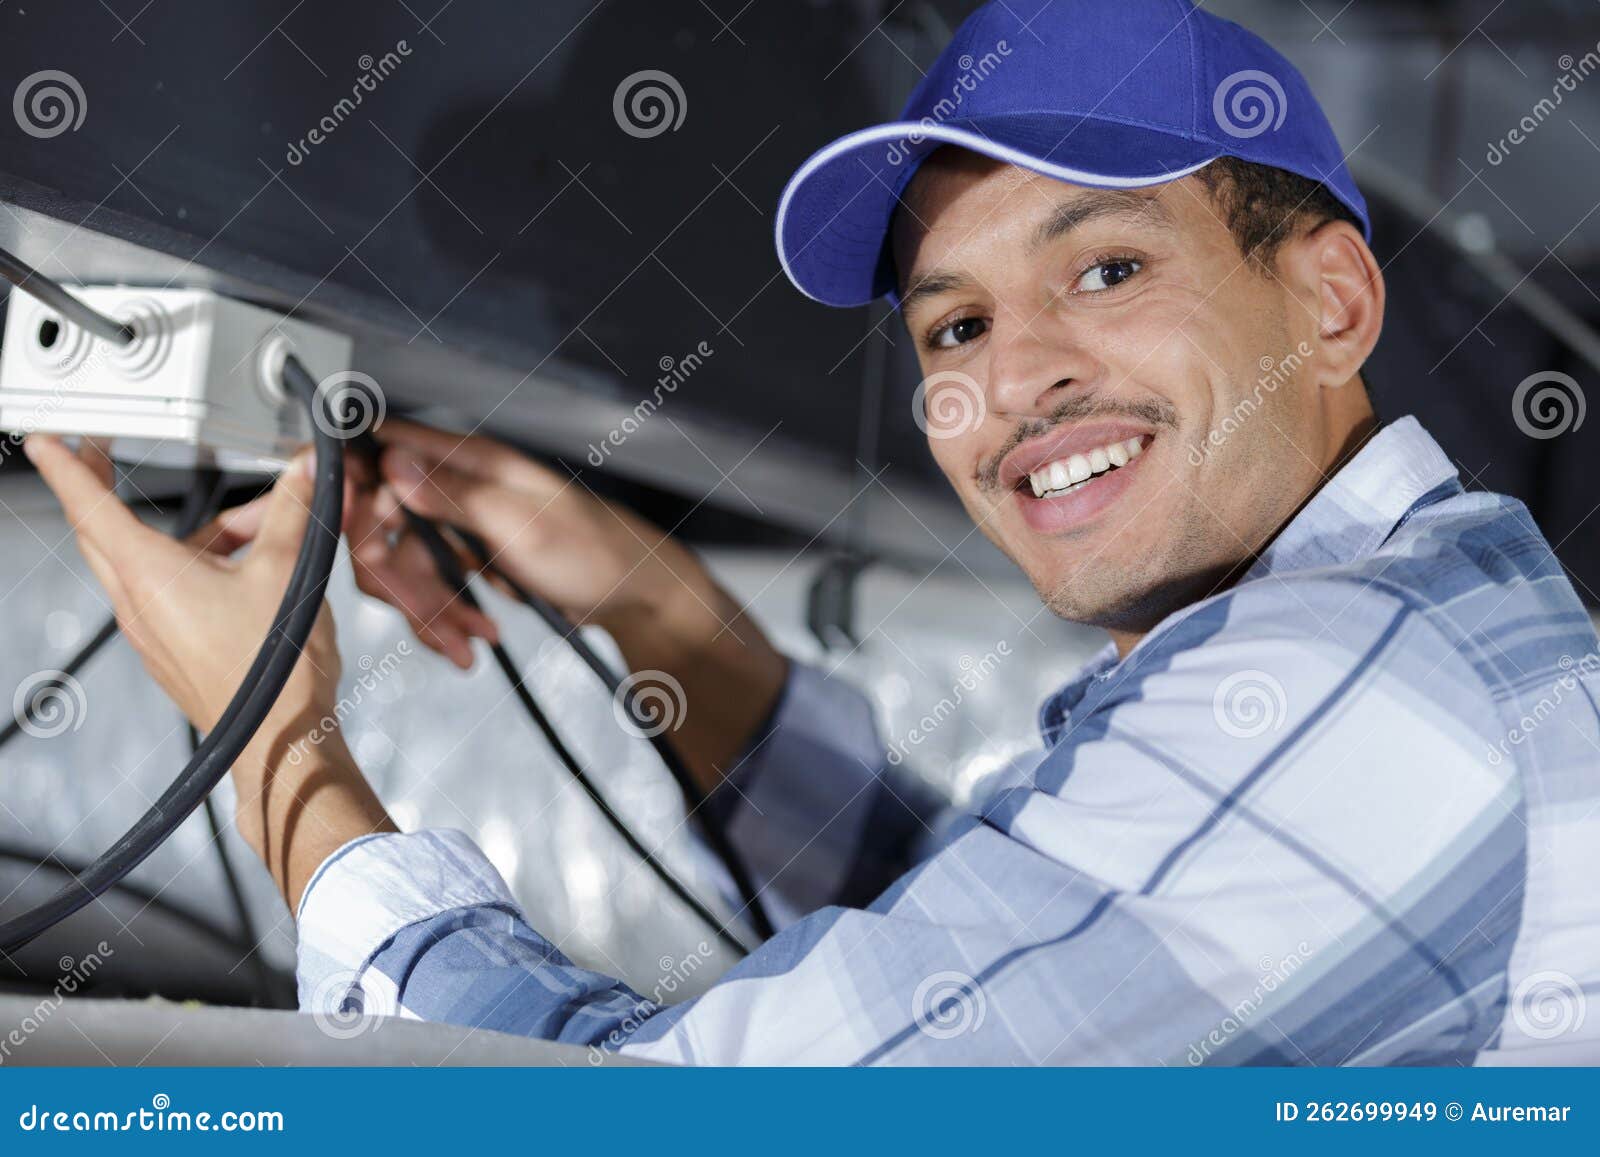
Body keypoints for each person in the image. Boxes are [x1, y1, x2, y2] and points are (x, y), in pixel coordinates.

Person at [26, 0, 1600, 1064]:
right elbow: (1010, 950)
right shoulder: (1413, 624)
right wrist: (662, 620)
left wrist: (279, 751)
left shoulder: (1358, 676)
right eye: (955, 324)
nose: (1019, 373)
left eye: (1108, 270)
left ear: (1331, 300)